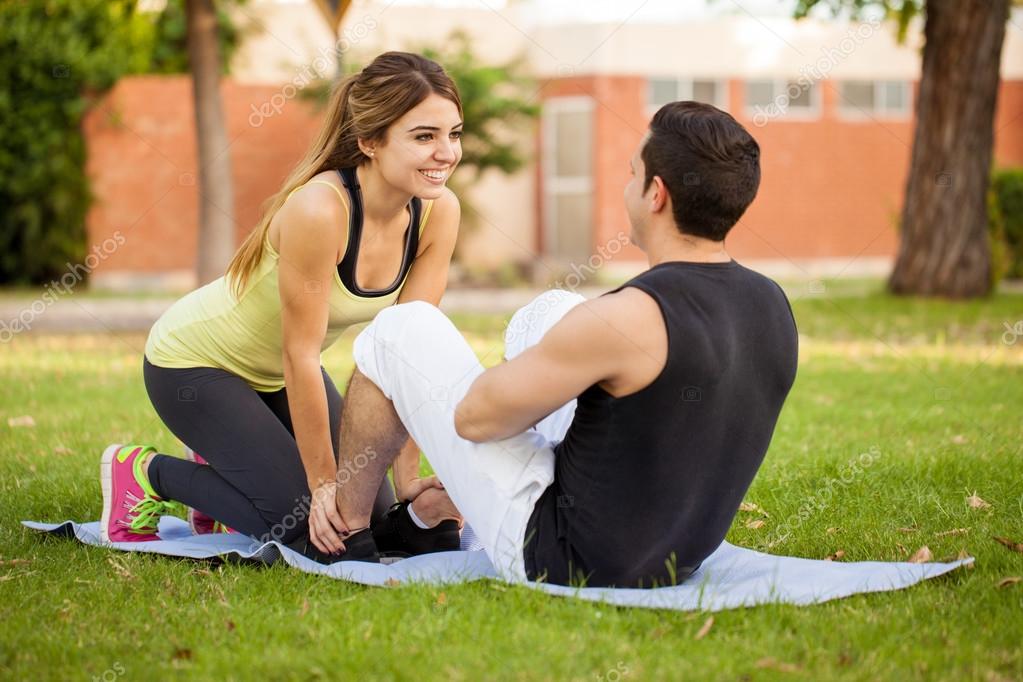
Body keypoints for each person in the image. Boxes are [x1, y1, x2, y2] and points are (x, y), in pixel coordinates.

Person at [327, 101, 799, 587]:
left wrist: (519, 394)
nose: (625, 185)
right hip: (672, 555)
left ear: (655, 195)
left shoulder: (626, 317)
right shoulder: (773, 305)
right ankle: (428, 514)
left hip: (557, 556)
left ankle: (346, 533)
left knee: (400, 328)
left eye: (631, 172)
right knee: (553, 309)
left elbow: (475, 419)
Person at [98, 52, 466, 562]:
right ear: (369, 142)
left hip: (277, 376)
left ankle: (230, 457)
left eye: (454, 133)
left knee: (374, 523)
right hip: (194, 363)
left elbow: (403, 355)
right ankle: (146, 473)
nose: (446, 152)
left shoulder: (439, 213)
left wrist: (406, 481)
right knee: (317, 535)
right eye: (424, 136)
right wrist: (319, 487)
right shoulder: (320, 210)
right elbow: (301, 353)